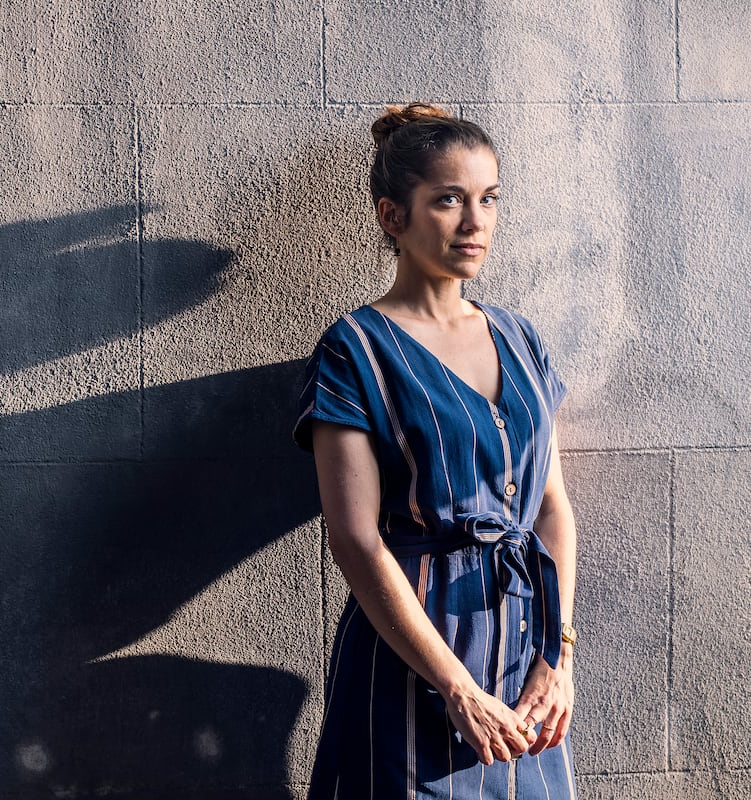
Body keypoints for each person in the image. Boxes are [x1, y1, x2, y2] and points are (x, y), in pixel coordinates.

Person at [293, 103, 578, 799]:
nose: (475, 222)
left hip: (525, 661)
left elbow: (551, 509)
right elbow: (356, 541)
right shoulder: (353, 350)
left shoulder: (520, 337)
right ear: (394, 216)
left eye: (488, 199)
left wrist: (558, 654)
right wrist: (455, 686)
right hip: (415, 658)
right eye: (448, 200)